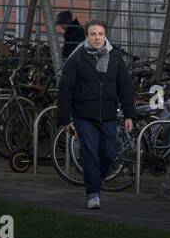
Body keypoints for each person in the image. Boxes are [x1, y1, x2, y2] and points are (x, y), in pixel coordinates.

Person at [56, 20, 135, 209]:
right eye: (93, 34)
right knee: (90, 155)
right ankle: (93, 195)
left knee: (109, 154)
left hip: (108, 115)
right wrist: (65, 119)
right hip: (83, 115)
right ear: (87, 36)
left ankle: (95, 182)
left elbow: (125, 88)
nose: (97, 38)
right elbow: (66, 89)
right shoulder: (77, 58)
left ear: (105, 35)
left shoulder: (116, 57)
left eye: (100, 34)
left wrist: (129, 115)